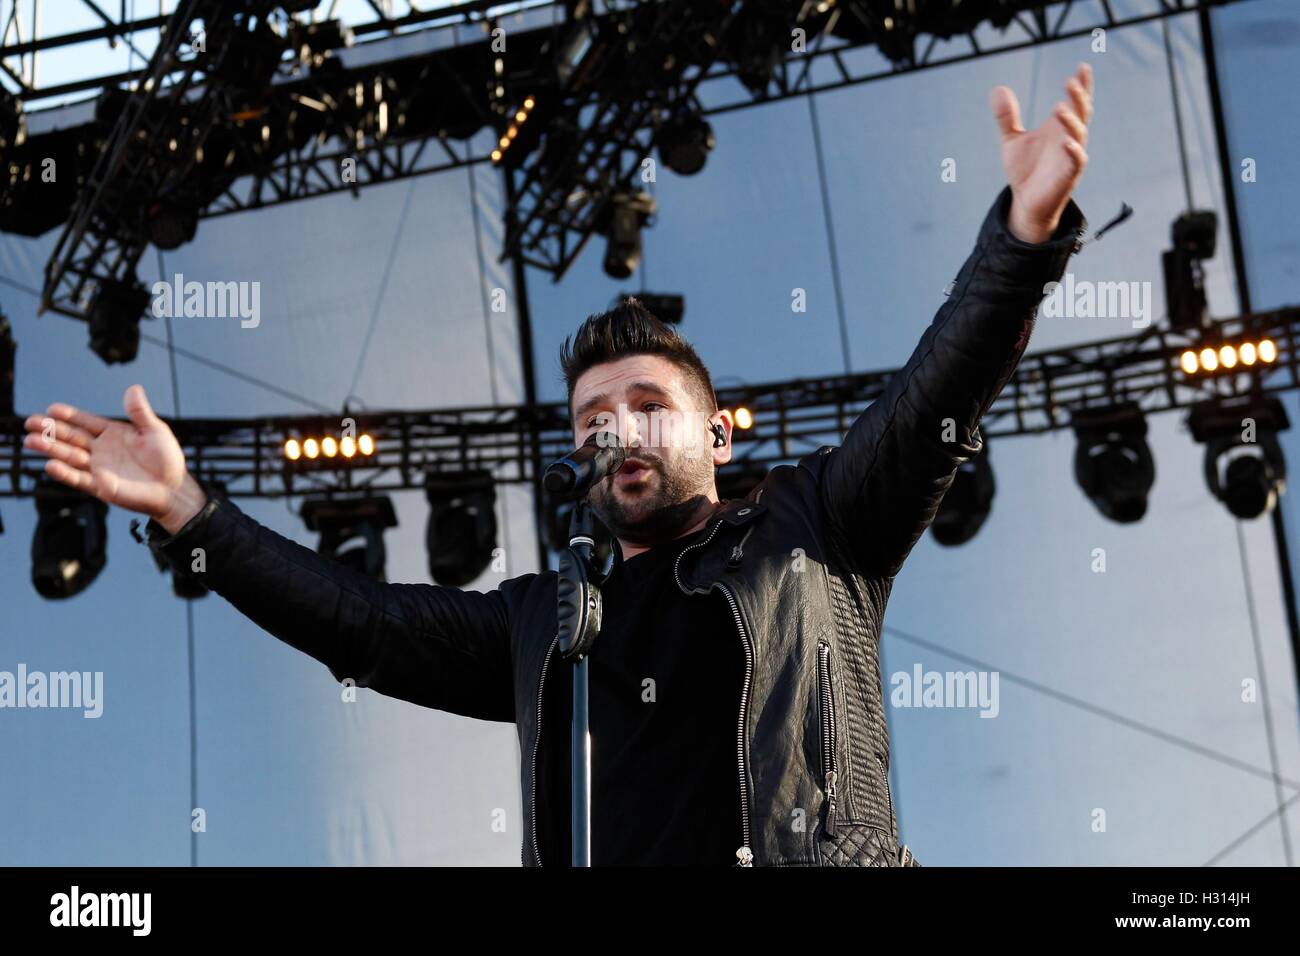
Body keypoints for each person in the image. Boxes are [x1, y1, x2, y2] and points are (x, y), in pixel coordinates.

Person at [23, 65, 1095, 866]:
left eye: (646, 405)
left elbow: (931, 397)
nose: (617, 430)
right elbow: (360, 622)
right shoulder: (543, 619)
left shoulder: (815, 524)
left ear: (719, 436)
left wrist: (1022, 230)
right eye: (593, 416)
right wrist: (188, 507)